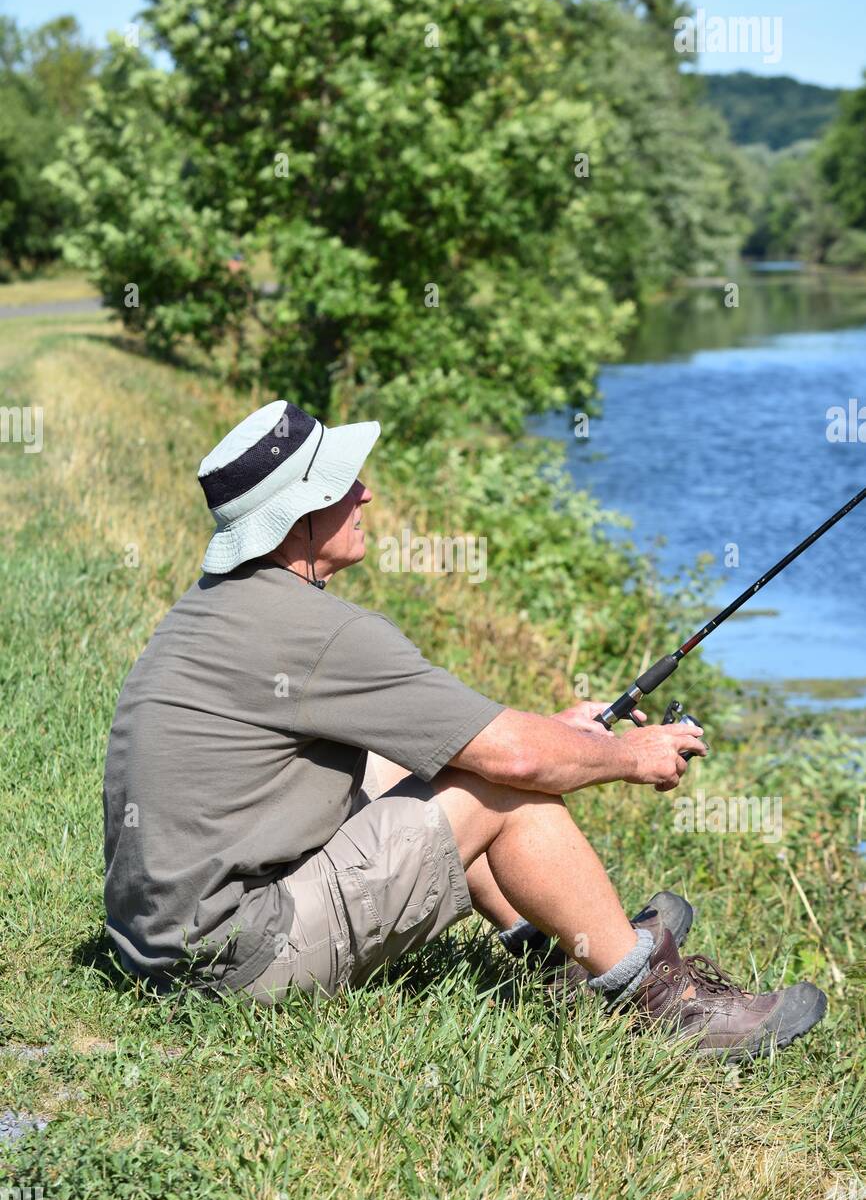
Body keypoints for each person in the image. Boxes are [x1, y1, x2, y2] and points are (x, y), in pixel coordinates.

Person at [103, 400, 826, 1062]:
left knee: (409, 761)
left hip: (157, 947)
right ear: (304, 515)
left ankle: (554, 952)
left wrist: (564, 733)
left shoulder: (212, 612)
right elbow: (509, 759)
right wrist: (626, 755)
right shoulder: (317, 634)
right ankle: (665, 1005)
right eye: (346, 484)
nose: (366, 495)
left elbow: (455, 732)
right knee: (503, 793)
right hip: (232, 964)